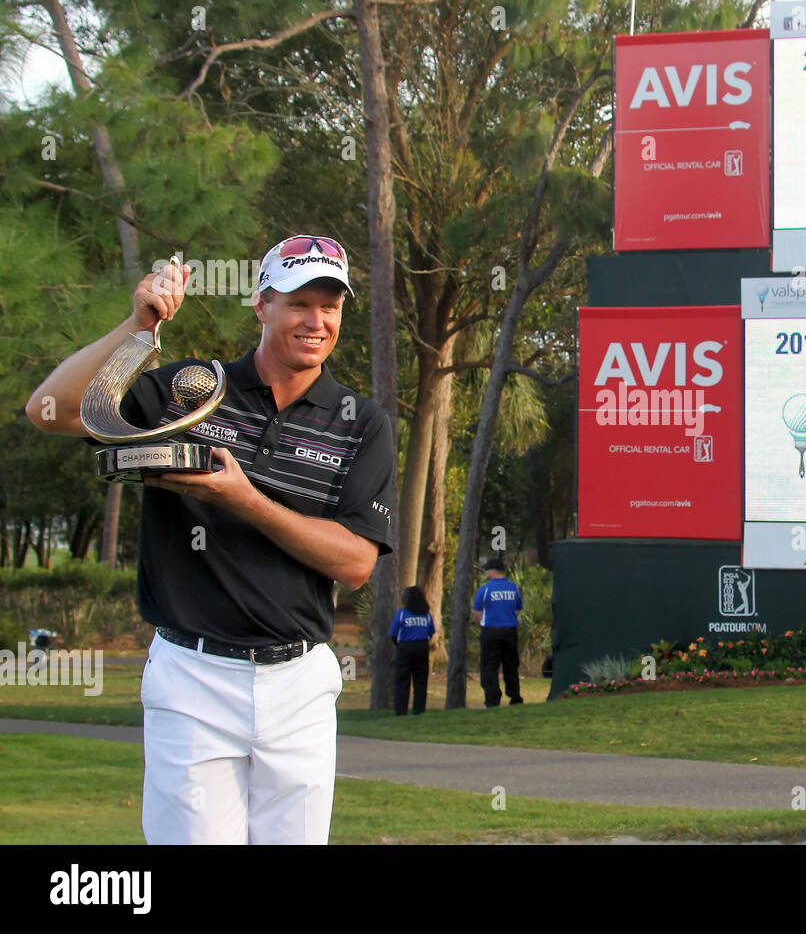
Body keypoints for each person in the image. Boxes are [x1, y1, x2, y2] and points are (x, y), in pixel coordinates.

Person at [24, 235, 396, 844]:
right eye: (299, 301)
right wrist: (137, 328)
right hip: (192, 675)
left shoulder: (361, 421)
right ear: (261, 305)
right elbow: (51, 409)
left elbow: (355, 562)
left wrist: (245, 500)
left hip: (299, 684)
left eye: (330, 306)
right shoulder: (193, 388)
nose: (316, 320)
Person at [472, 558, 523, 707]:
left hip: (491, 631)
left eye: (486, 570)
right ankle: (515, 696)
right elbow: (517, 609)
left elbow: (477, 612)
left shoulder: (485, 589)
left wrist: (484, 624)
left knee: (490, 666)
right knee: (511, 665)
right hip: (510, 630)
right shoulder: (514, 588)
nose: (485, 572)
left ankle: (492, 699)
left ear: (493, 571)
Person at [390, 585, 435, 715]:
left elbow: (393, 634)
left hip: (405, 648)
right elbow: (431, 632)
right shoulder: (426, 615)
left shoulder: (402, 614)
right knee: (421, 680)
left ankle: (401, 711)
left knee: (402, 680)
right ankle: (419, 710)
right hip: (422, 647)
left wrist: (400, 647)